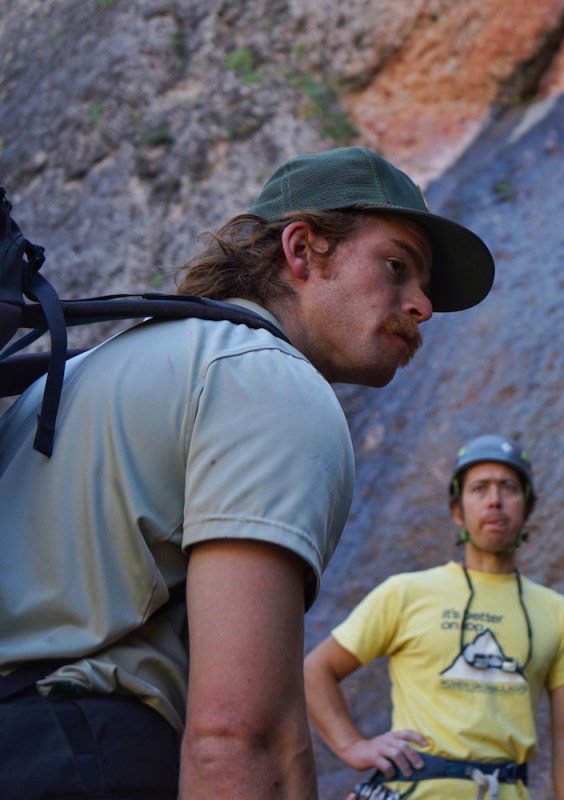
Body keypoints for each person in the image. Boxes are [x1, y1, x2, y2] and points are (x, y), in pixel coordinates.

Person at [0, 146, 495, 799]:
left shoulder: (85, 370)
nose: (422, 306)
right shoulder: (270, 383)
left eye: (424, 287)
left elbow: (280, 724)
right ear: (302, 250)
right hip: (91, 757)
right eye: (398, 267)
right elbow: (236, 738)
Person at [304, 434, 564, 800]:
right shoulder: (406, 593)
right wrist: (352, 746)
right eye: (479, 489)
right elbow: (316, 671)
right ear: (458, 510)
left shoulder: (559, 612)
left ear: (528, 508)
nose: (494, 500)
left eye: (509, 487)